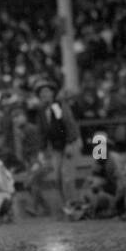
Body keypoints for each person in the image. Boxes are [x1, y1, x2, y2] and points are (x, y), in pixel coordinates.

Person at [30, 79, 82, 213]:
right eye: (41, 92)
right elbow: (42, 132)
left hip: (69, 143)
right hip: (56, 147)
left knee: (67, 175)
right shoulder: (41, 111)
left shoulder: (59, 106)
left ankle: (74, 204)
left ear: (53, 93)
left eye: (47, 91)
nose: (44, 94)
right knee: (57, 176)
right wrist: (41, 150)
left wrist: (71, 143)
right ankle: (66, 204)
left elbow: (68, 124)